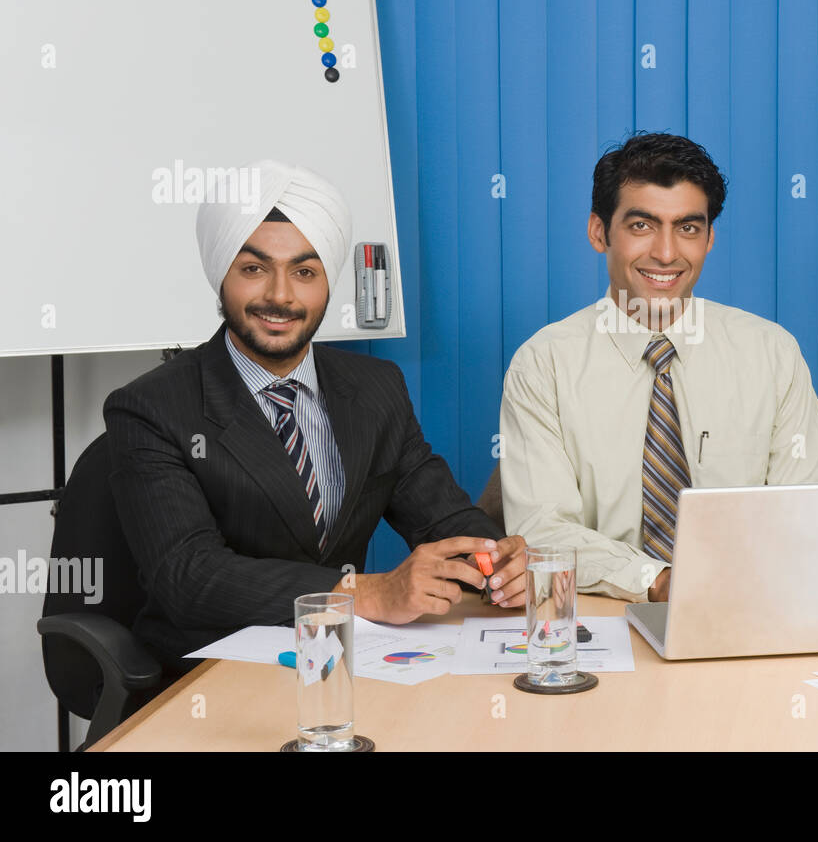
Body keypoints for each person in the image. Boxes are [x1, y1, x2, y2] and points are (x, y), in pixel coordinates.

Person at [105, 161, 526, 671]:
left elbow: (440, 515)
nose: (280, 295)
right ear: (221, 275)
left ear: (329, 282)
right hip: (208, 670)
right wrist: (363, 593)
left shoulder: (374, 389)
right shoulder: (152, 406)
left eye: (305, 272)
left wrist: (496, 558)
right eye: (254, 268)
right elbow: (188, 577)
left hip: (345, 661)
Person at [499, 133, 818, 603]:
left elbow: (813, 512)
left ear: (709, 238)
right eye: (642, 226)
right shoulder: (543, 365)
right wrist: (657, 582)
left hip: (748, 613)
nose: (665, 253)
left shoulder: (771, 353)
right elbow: (544, 530)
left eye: (687, 228)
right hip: (604, 621)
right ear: (600, 233)